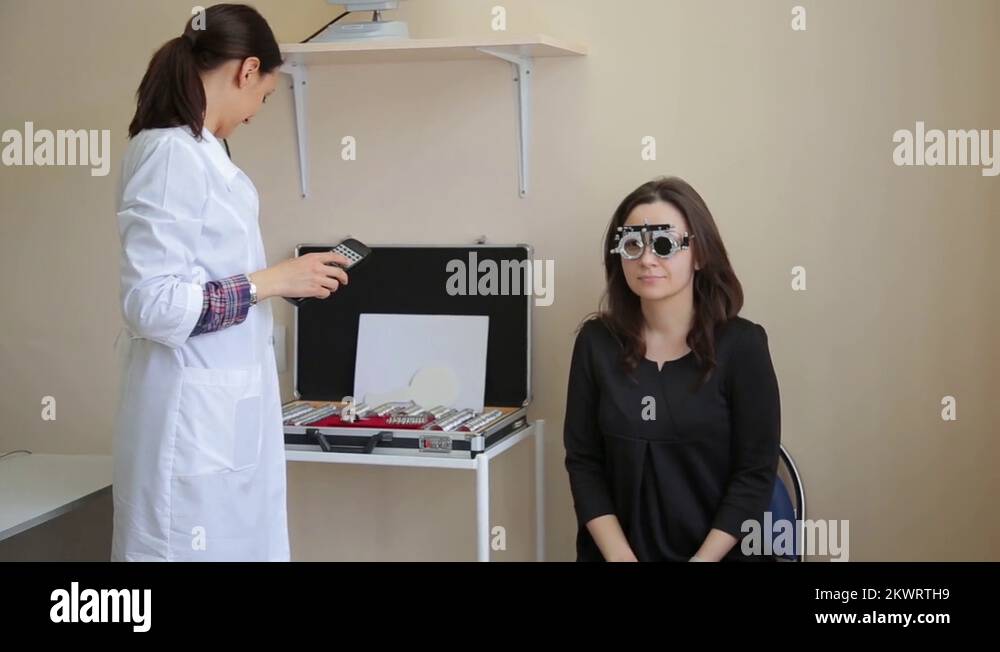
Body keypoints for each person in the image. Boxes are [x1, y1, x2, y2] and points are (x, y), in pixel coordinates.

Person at [112, 4, 351, 561]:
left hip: (221, 422)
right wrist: (268, 280)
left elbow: (205, 280)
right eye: (262, 99)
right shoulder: (170, 155)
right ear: (246, 71)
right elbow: (153, 304)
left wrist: (280, 282)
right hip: (189, 433)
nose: (253, 113)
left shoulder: (198, 152)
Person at [564, 176, 781, 562]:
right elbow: (584, 461)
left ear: (698, 255)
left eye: (663, 244)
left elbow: (754, 472)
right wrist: (619, 558)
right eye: (633, 244)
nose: (647, 259)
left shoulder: (742, 346)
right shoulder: (595, 343)